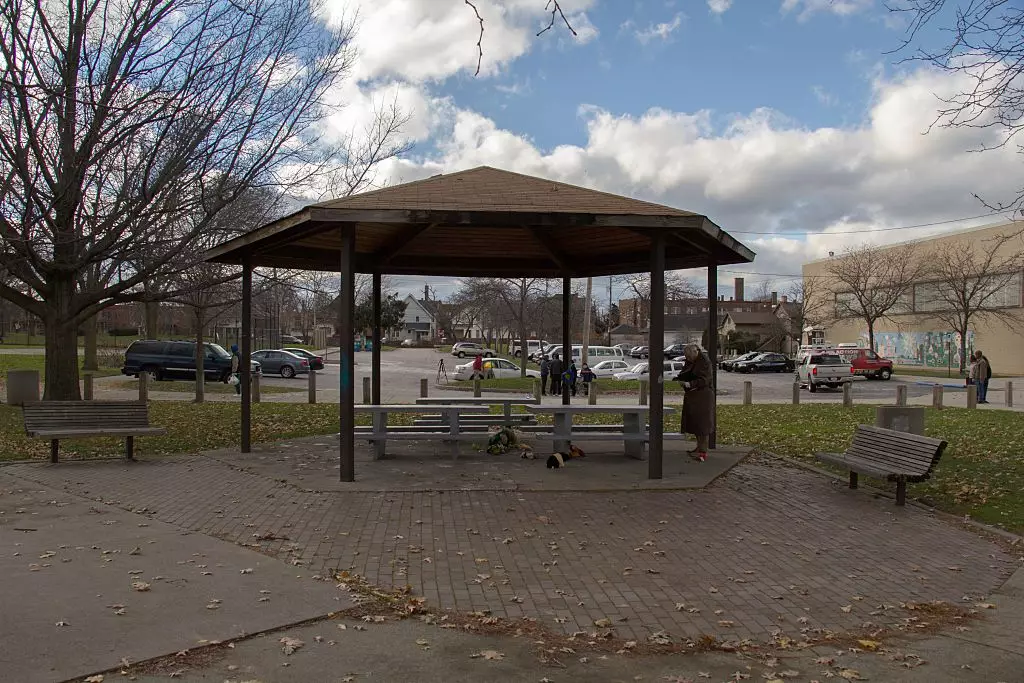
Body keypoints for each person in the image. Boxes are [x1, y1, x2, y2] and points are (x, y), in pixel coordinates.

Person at [677, 344, 714, 462]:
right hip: (693, 395)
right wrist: (681, 379)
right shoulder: (691, 361)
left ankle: (702, 452)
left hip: (703, 396)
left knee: (703, 425)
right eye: (686, 357)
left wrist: (690, 384)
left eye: (689, 356)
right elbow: (685, 372)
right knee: (695, 424)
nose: (688, 359)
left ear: (695, 352)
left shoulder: (705, 362)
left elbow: (705, 379)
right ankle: (699, 448)